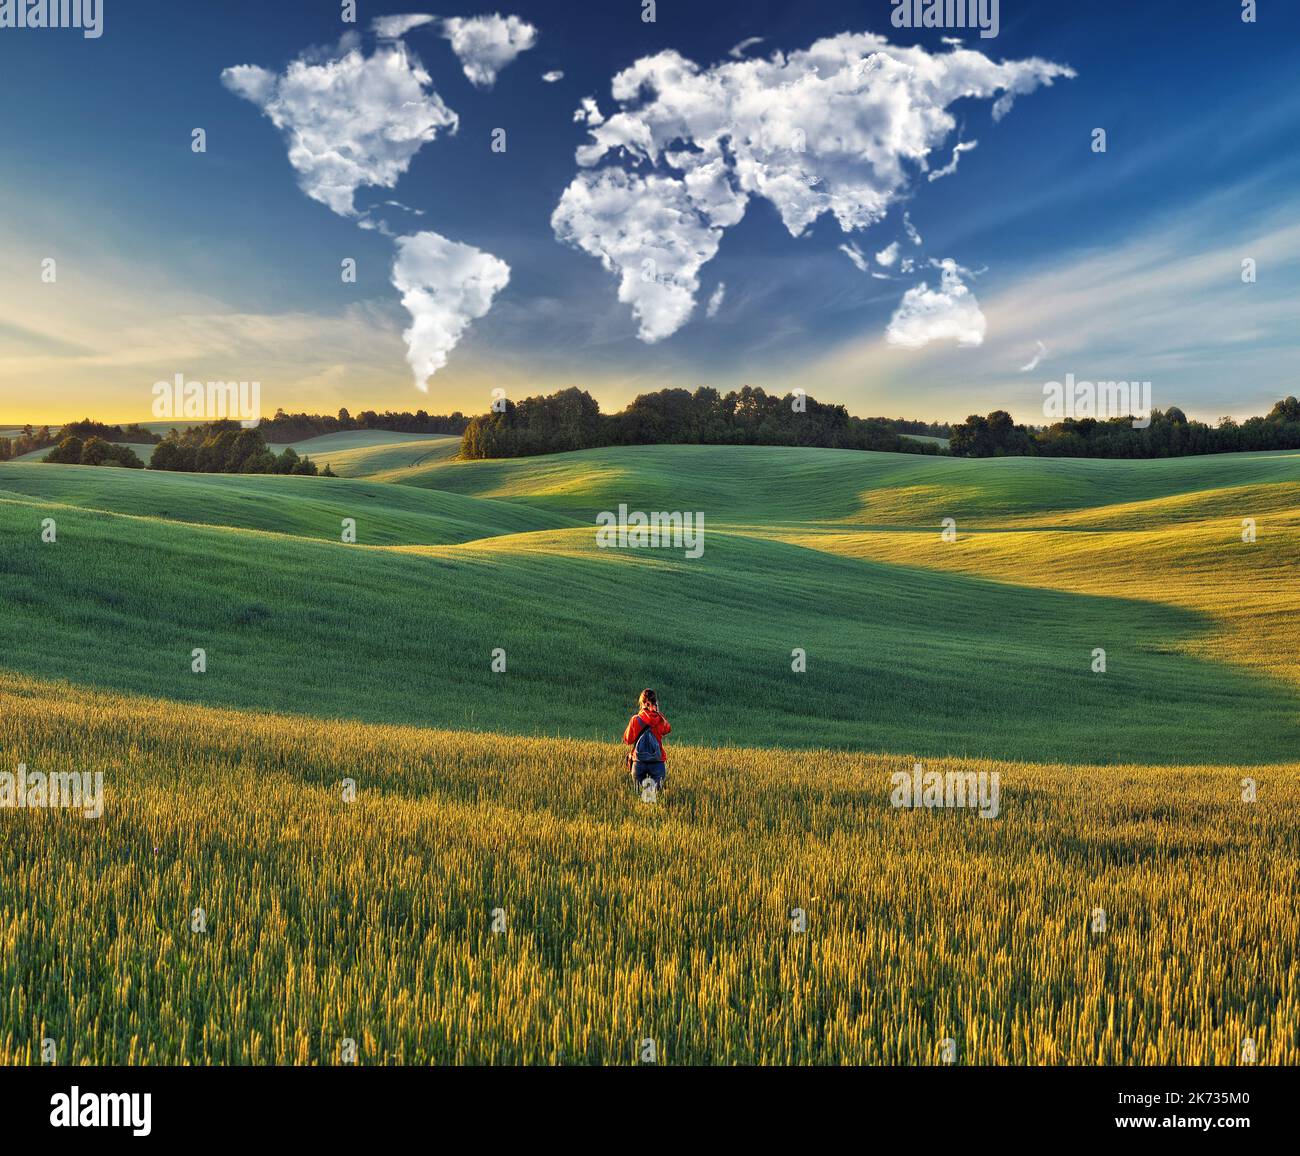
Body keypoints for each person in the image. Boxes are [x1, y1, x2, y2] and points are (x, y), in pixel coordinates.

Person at [623, 689, 671, 791]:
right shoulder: (659, 720)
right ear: (655, 703)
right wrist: (657, 713)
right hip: (657, 763)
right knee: (655, 797)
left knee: (640, 797)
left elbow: (627, 740)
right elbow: (667, 729)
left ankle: (643, 804)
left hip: (639, 763)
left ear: (642, 703)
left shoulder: (635, 719)